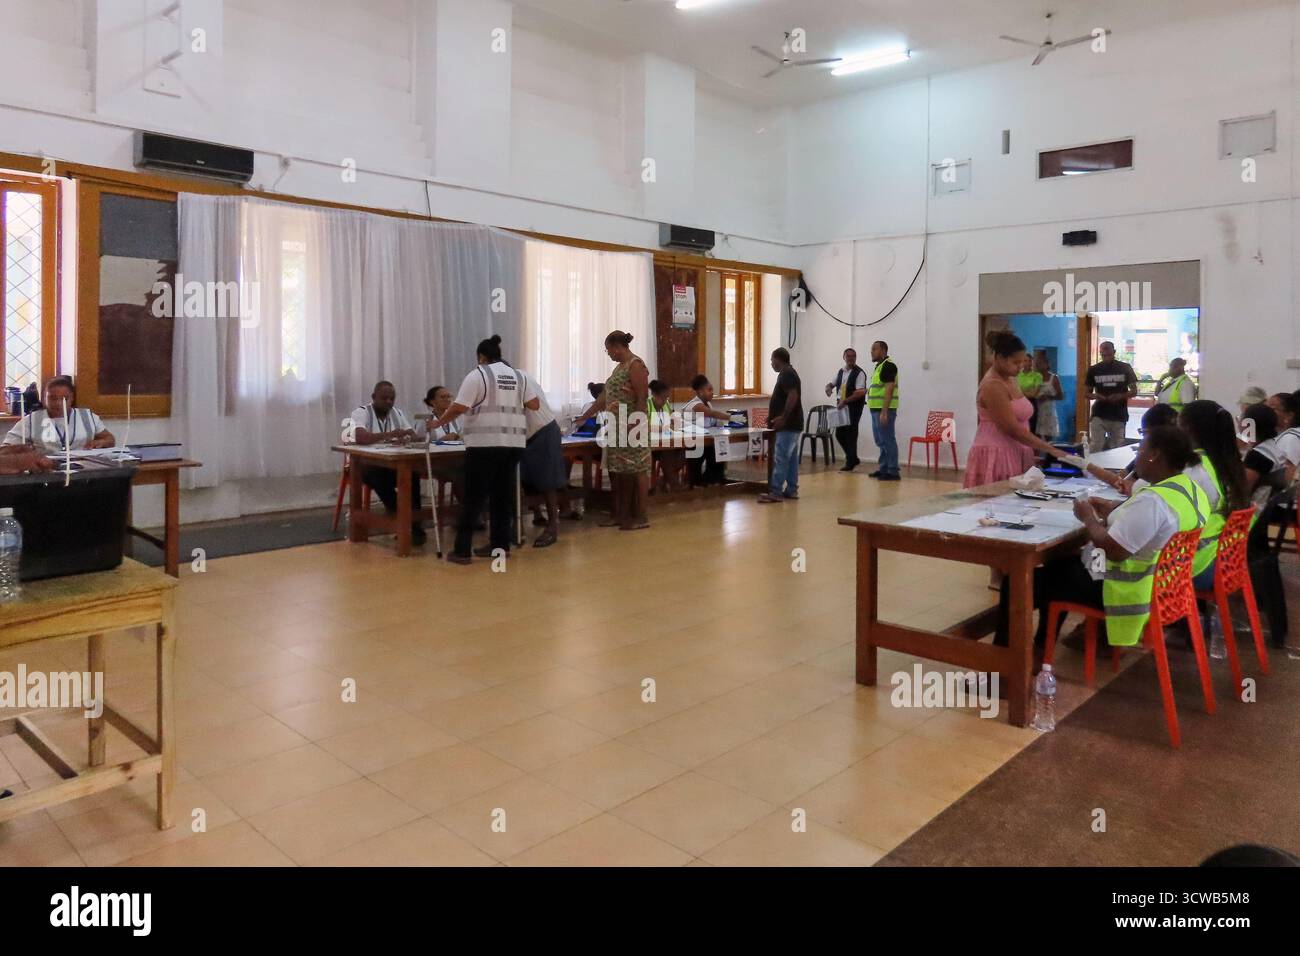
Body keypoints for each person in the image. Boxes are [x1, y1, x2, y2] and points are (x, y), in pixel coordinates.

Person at [994, 426, 1208, 649]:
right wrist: (1113, 512)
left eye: (1140, 451)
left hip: (1123, 588)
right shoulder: (1189, 490)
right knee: (1062, 566)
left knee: (1020, 581)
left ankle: (1006, 658)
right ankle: (1040, 647)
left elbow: (1114, 551)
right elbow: (1149, 528)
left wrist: (1089, 519)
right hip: (1164, 585)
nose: (1137, 458)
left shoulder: (1154, 501)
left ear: (1154, 455)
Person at [425, 335, 539, 564]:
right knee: (502, 497)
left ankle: (462, 550)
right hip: (513, 445)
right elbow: (534, 404)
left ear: (481, 357)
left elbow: (459, 406)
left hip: (485, 444)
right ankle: (500, 546)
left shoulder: (478, 375)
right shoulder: (520, 375)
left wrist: (438, 423)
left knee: (474, 497)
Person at [571, 331, 652, 530]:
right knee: (618, 471)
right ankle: (619, 514)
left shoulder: (636, 365)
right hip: (617, 426)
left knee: (637, 470)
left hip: (633, 424)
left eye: (608, 350)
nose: (608, 354)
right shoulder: (618, 370)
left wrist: (638, 423)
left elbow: (642, 396)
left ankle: (640, 516)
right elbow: (604, 398)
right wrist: (585, 416)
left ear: (618, 347)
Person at [964, 331, 1060, 488]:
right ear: (999, 358)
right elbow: (1012, 429)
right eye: (1016, 363)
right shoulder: (992, 385)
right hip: (997, 453)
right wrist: (1049, 448)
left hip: (1017, 450)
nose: (1020, 367)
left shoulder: (1011, 379)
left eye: (1022, 362)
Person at [1179, 400, 1251, 590]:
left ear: (1187, 429)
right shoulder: (1229, 462)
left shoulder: (1195, 469)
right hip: (1225, 558)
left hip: (1197, 566)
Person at [348, 380, 425, 546]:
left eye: (392, 398)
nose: (389, 402)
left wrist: (412, 436)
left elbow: (411, 435)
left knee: (413, 473)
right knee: (377, 474)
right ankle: (400, 515)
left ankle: (416, 526)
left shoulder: (396, 413)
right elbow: (361, 437)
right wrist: (389, 435)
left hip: (392, 462)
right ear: (374, 397)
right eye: (384, 398)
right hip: (365, 466)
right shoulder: (361, 413)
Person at [1, 375, 115, 453]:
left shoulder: (87, 417)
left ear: (72, 398)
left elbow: (110, 439)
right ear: (44, 398)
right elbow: (5, 448)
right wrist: (25, 450)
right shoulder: (32, 420)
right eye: (52, 398)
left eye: (64, 398)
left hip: (83, 472)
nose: (58, 403)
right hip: (46, 474)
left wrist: (101, 442)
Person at [521, 374, 566, 548]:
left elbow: (533, 404)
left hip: (543, 431)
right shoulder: (516, 376)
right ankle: (535, 515)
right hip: (526, 436)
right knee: (524, 478)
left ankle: (553, 526)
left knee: (548, 481)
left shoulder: (519, 379)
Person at [758, 348, 803, 503]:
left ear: (778, 359)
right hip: (793, 424)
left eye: (772, 360)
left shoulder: (786, 374)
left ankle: (776, 491)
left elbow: (793, 396)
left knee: (781, 457)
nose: (771, 364)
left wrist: (784, 417)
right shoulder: (789, 373)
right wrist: (771, 416)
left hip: (788, 425)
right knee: (790, 459)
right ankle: (791, 490)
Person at [1084, 340, 1137, 450]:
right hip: (1099, 413)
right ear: (1100, 353)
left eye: (1108, 354)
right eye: (1103, 355)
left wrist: (1120, 396)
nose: (1106, 356)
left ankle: (1113, 467)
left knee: (1117, 447)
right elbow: (1086, 393)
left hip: (1118, 413)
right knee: (1096, 445)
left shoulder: (1125, 368)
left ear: (1114, 352)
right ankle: (1094, 466)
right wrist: (1097, 396)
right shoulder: (1094, 369)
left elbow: (1134, 391)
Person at [682, 373, 731, 486]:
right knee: (704, 452)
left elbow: (712, 421)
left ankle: (714, 479)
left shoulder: (708, 404)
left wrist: (719, 424)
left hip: (706, 440)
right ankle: (697, 481)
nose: (712, 392)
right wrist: (730, 417)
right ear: (700, 392)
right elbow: (711, 414)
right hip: (691, 441)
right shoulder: (695, 404)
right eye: (709, 390)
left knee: (720, 448)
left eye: (712, 389)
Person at [824, 347, 868, 472]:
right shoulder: (841, 371)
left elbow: (860, 392)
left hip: (853, 407)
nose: (851, 358)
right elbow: (831, 383)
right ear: (844, 357)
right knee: (839, 434)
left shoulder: (859, 373)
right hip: (841, 406)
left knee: (851, 434)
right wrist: (828, 388)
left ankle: (850, 462)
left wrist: (846, 401)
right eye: (848, 356)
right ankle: (853, 458)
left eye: (853, 356)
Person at [864, 341, 899, 480]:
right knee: (881, 440)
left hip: (884, 410)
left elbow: (889, 388)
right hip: (875, 409)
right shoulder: (879, 367)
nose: (871, 351)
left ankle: (893, 471)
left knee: (888, 439)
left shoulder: (888, 366)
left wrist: (884, 411)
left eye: (874, 349)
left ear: (883, 350)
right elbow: (880, 387)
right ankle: (884, 468)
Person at [647, 379, 683, 493]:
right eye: (662, 398)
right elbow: (644, 427)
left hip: (668, 441)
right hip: (652, 446)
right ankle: (675, 487)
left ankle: (662, 481)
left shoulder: (666, 405)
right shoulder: (646, 405)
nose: (665, 401)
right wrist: (664, 427)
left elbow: (675, 422)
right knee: (668, 454)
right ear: (654, 395)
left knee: (686, 453)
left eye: (667, 398)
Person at [1032, 352, 1064, 443]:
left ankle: (1049, 455)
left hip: (1048, 411)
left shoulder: (1053, 378)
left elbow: (1061, 396)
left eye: (1041, 363)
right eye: (1037, 363)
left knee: (1048, 438)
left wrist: (1048, 397)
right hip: (1035, 410)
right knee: (1035, 436)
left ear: (1047, 364)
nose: (1038, 365)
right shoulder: (1034, 377)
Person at [1017, 353, 1043, 438]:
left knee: (1031, 429)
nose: (1027, 363)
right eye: (1025, 361)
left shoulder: (1037, 376)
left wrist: (1020, 391)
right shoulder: (1017, 375)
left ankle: (1031, 450)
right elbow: (1012, 391)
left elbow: (1034, 394)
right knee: (1019, 428)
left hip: (1031, 403)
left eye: (1029, 361)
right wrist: (1027, 391)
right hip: (1018, 403)